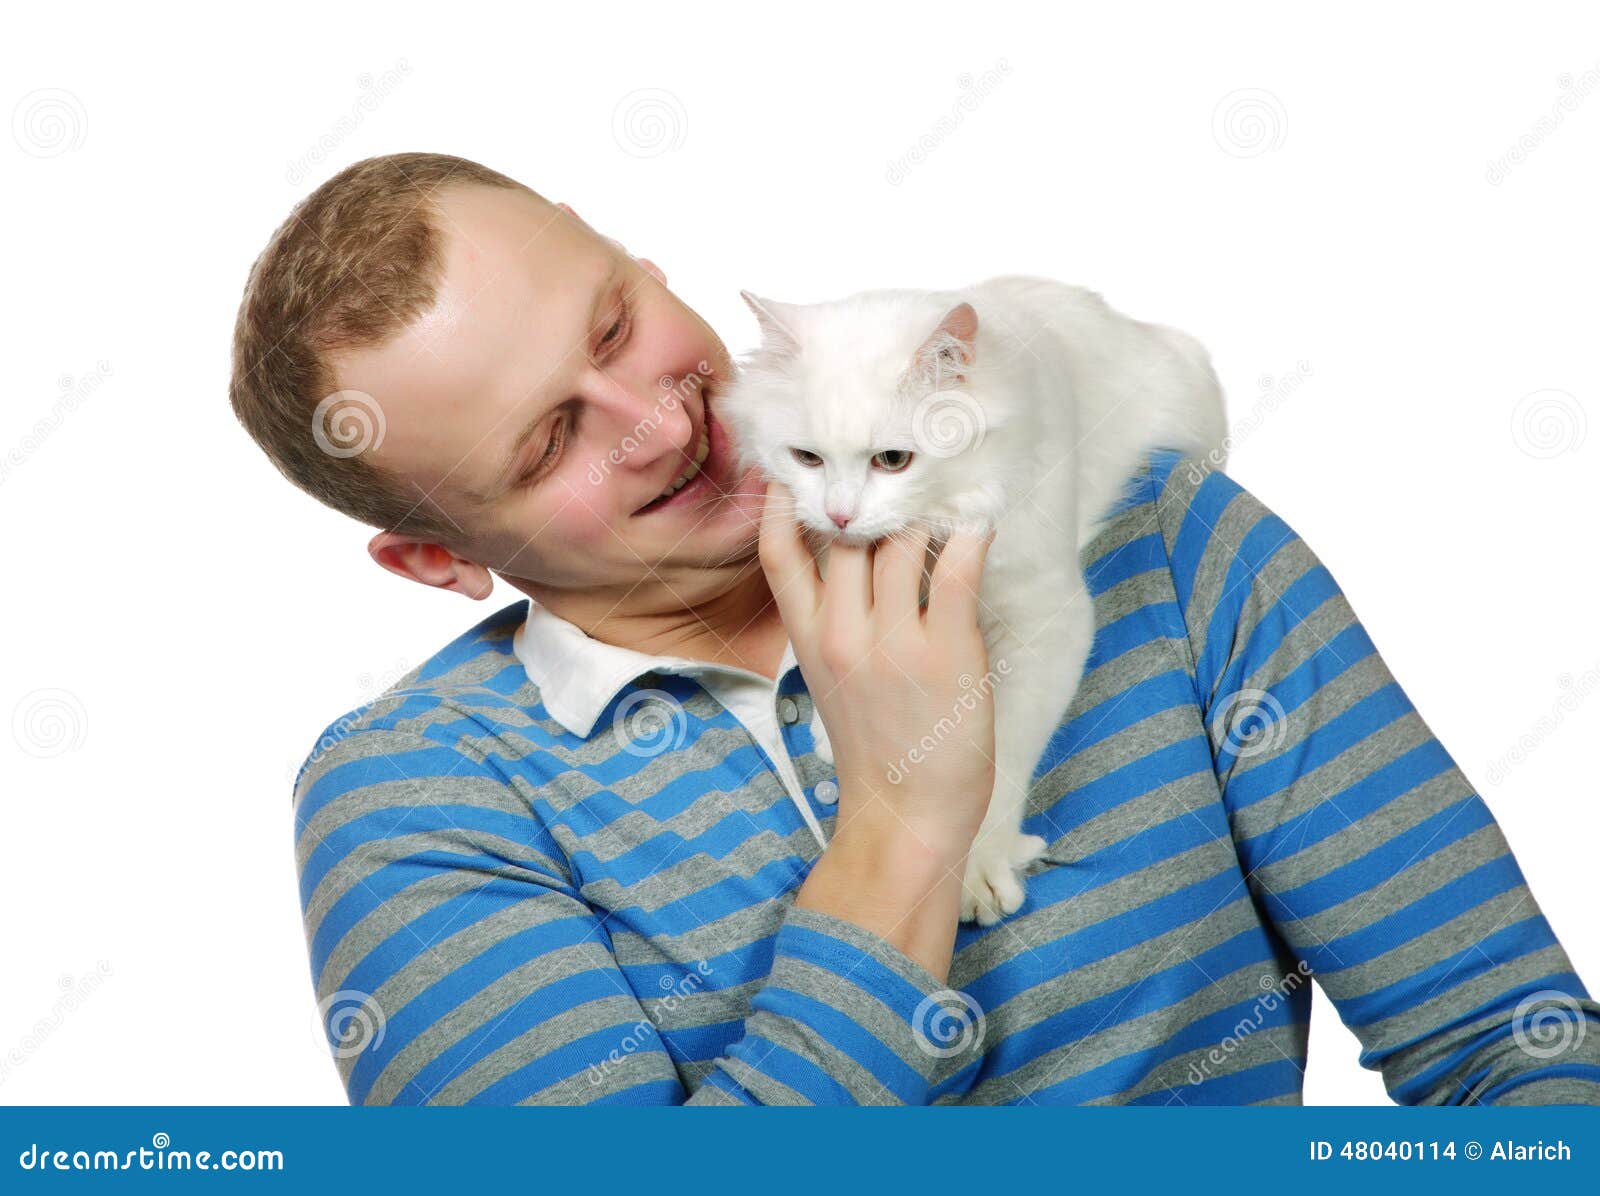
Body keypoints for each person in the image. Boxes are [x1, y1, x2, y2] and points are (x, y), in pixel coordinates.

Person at [230, 152, 1600, 1105]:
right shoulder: (414, 802)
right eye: (548, 445)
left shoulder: (1151, 535)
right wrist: (904, 823)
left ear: (640, 259)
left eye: (616, 323)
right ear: (433, 559)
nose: (665, 422)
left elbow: (1515, 1055)